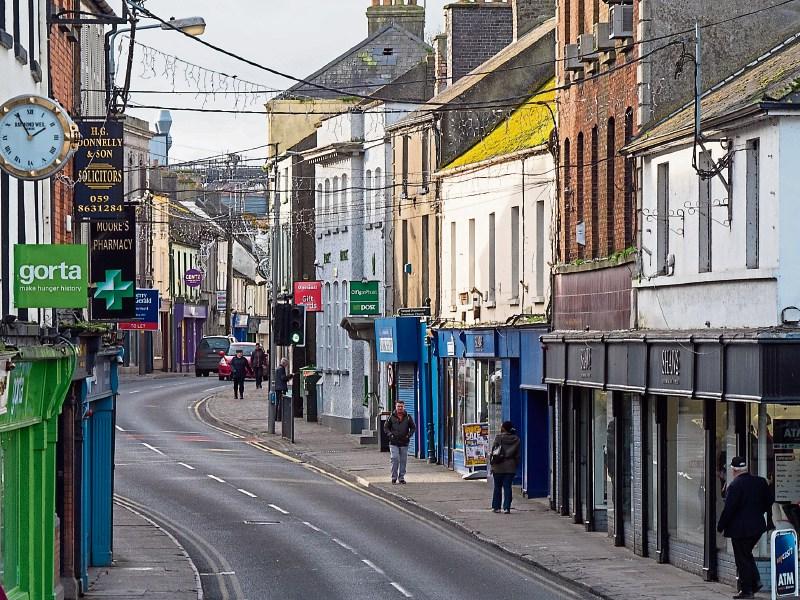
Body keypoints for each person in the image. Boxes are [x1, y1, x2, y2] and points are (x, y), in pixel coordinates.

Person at [717, 456, 774, 599]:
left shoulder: (735, 486)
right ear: (746, 468)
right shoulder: (760, 482)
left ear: (734, 470)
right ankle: (755, 582)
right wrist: (758, 513)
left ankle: (747, 590)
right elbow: (769, 501)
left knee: (742, 559)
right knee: (746, 555)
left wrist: (721, 526)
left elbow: (729, 509)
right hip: (757, 527)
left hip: (740, 530)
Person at [490, 420, 521, 514]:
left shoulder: (498, 438)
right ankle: (507, 507)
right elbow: (517, 455)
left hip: (498, 466)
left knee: (497, 487)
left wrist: (492, 465)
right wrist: (515, 465)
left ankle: (496, 507)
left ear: (503, 428)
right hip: (510, 466)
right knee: (508, 487)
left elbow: (494, 451)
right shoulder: (516, 439)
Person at [384, 400, 416, 484]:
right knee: (394, 458)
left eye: (401, 406)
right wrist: (390, 434)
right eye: (398, 406)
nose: (400, 408)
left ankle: (401, 477)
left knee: (403, 461)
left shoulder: (408, 417)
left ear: (404, 407)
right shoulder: (391, 417)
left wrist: (408, 435)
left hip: (404, 442)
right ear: (396, 407)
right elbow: (386, 427)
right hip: (394, 442)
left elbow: (413, 427)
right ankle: (394, 477)